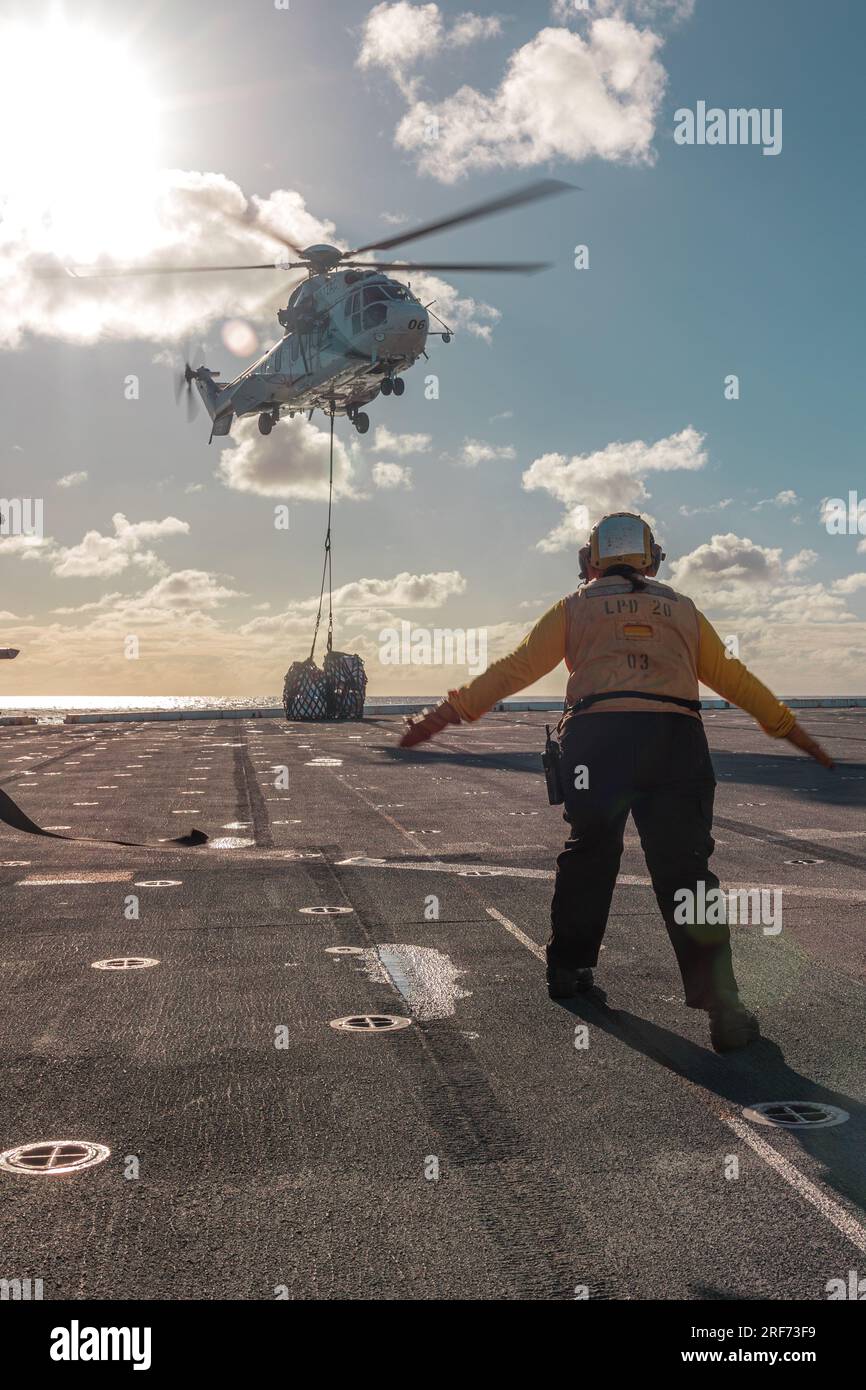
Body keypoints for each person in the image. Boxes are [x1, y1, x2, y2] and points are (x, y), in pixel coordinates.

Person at [399, 512, 833, 1052]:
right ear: (652, 559)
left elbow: (514, 669)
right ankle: (724, 1007)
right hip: (674, 740)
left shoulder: (574, 608)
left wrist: (444, 714)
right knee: (687, 874)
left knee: (590, 854)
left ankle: (568, 970)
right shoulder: (681, 609)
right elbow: (734, 679)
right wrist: (792, 731)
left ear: (589, 560)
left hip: (596, 740)